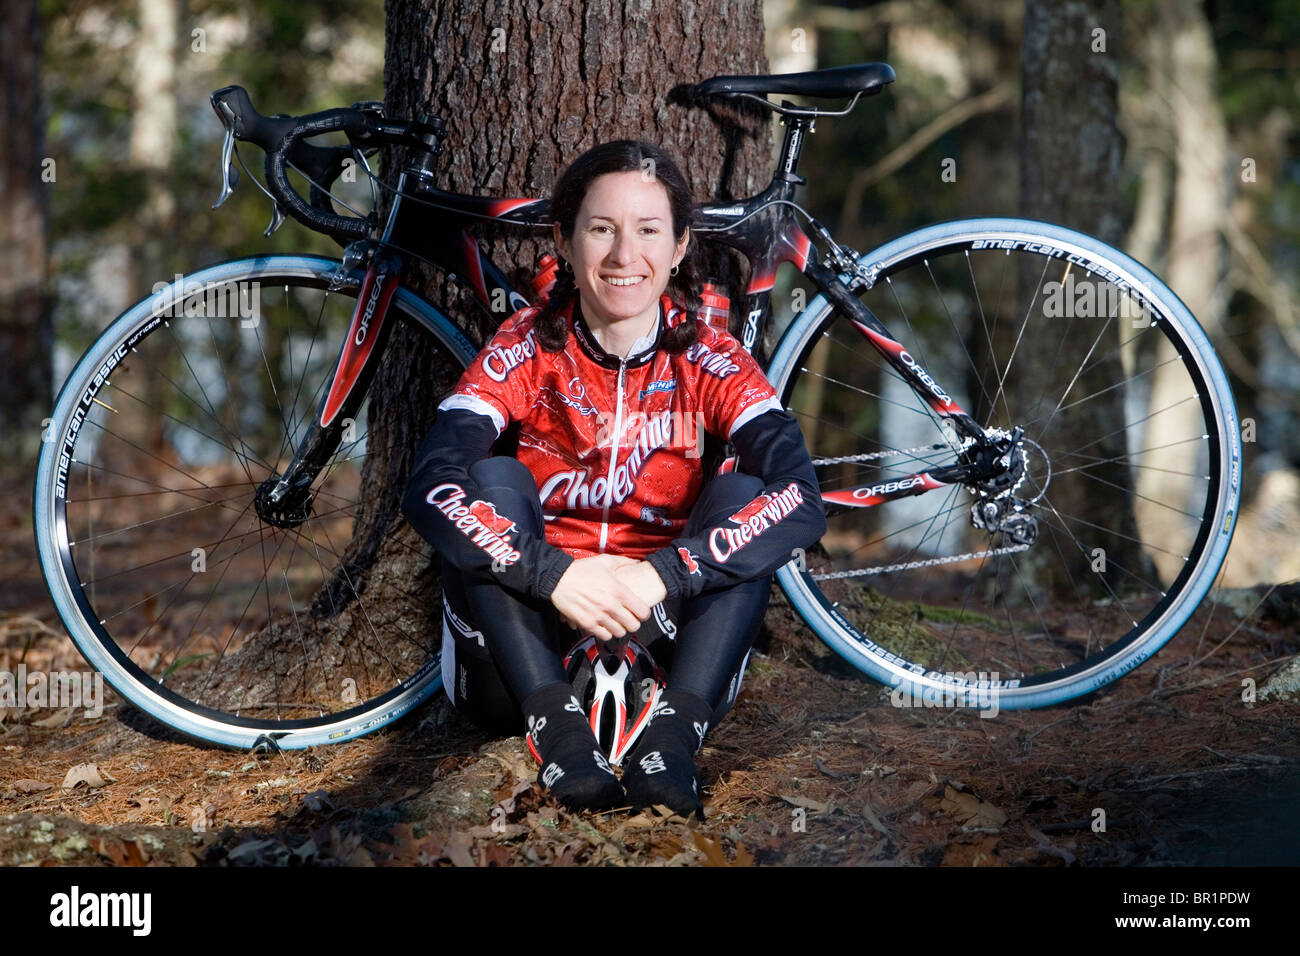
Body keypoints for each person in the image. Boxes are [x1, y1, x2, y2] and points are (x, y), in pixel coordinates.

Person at [401, 140, 826, 818]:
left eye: (649, 231)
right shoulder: (526, 345)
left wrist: (668, 572)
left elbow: (799, 498)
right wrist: (552, 575)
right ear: (565, 243)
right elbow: (432, 486)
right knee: (493, 479)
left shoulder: (711, 358)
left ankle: (674, 740)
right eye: (601, 229)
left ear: (682, 245)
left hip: (669, 639)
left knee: (745, 495)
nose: (625, 256)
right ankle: (555, 728)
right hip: (523, 649)